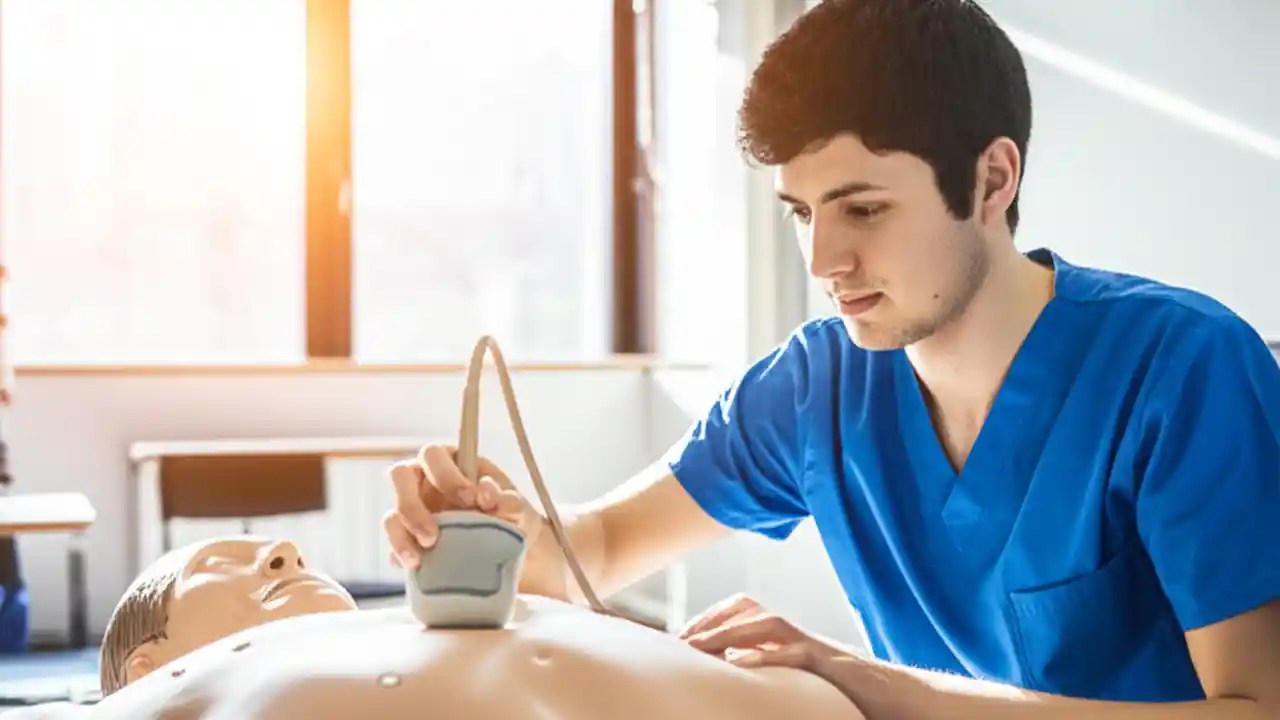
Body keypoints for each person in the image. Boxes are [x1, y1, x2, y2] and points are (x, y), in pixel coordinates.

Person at [384, 1, 1280, 717]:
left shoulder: (1182, 370)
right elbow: (603, 548)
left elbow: (1260, 707)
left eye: (864, 209)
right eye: (801, 213)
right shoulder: (816, 389)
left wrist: (873, 685)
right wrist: (499, 535)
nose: (823, 264)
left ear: (992, 181)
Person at [2, 536, 859, 720]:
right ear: (154, 664)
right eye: (218, 563)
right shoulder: (159, 701)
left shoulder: (465, 619)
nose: (281, 547)